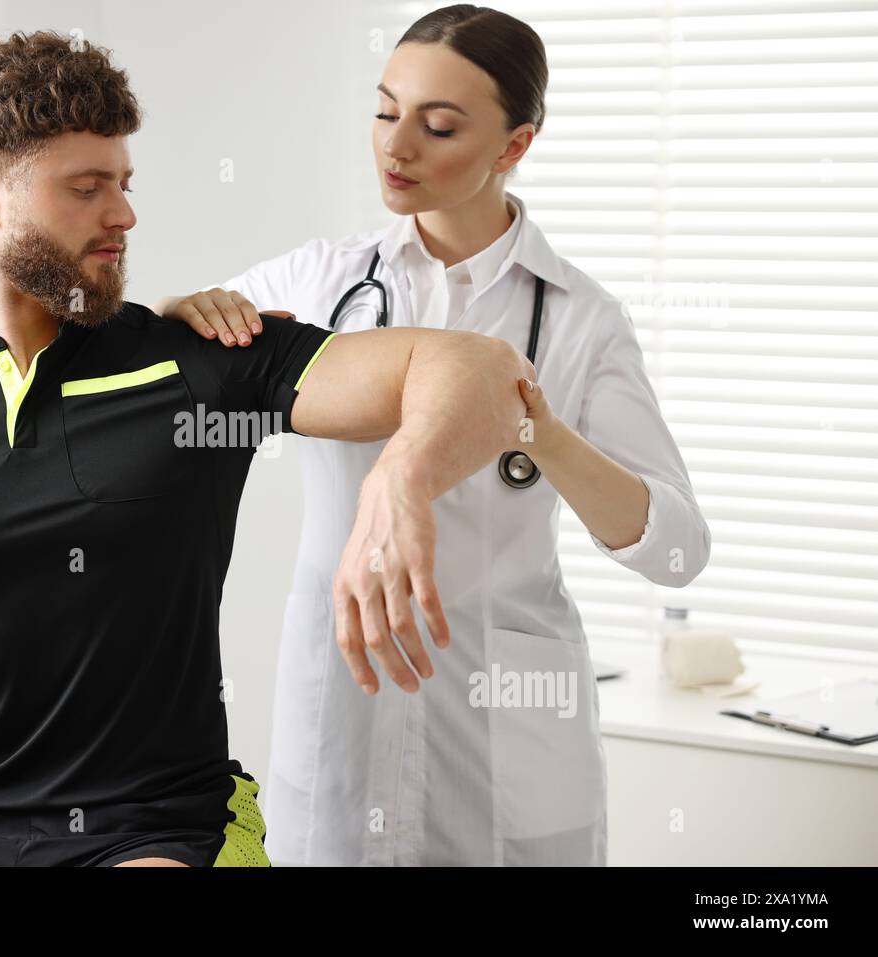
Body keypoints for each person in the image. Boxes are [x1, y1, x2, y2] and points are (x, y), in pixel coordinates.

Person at [0, 29, 534, 867]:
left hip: (160, 829)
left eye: (124, 183)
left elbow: (484, 372)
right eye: (86, 188)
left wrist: (401, 479)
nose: (124, 213)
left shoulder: (198, 360)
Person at [155, 5, 711, 865]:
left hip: (504, 726)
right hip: (345, 704)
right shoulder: (317, 282)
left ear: (514, 145)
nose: (397, 145)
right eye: (385, 111)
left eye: (438, 125)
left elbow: (676, 550)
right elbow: (147, 366)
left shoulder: (582, 321)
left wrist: (541, 433)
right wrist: (173, 310)